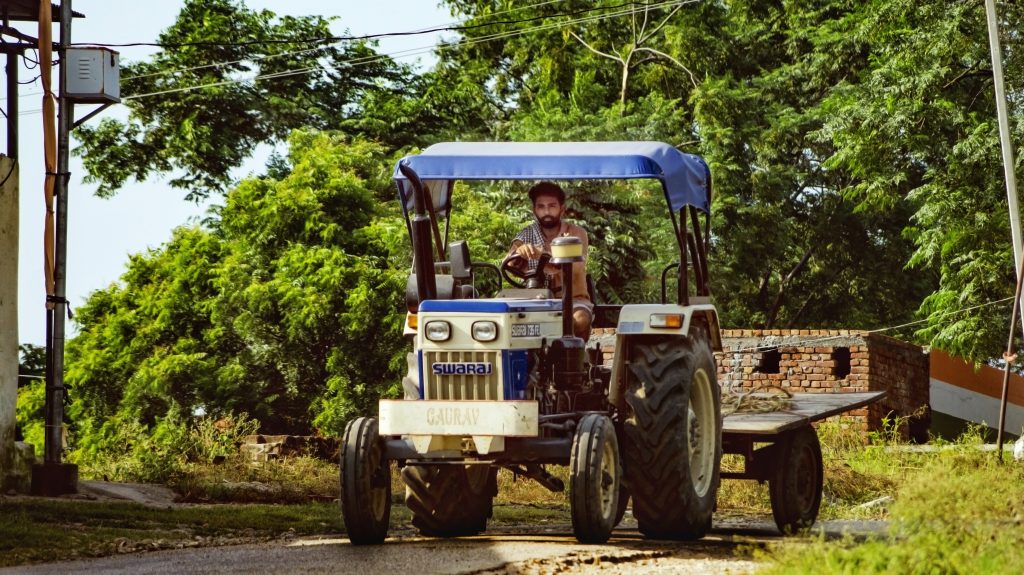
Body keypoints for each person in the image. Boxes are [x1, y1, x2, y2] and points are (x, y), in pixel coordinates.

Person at [504, 181, 593, 340]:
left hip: (572, 300)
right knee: (505, 321)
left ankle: (572, 354)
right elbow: (508, 263)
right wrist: (520, 253)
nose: (546, 212)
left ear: (562, 209)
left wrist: (543, 255)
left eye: (552, 206)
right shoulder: (526, 235)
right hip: (535, 299)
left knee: (579, 320)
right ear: (534, 210)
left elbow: (576, 268)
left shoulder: (576, 234)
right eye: (541, 207)